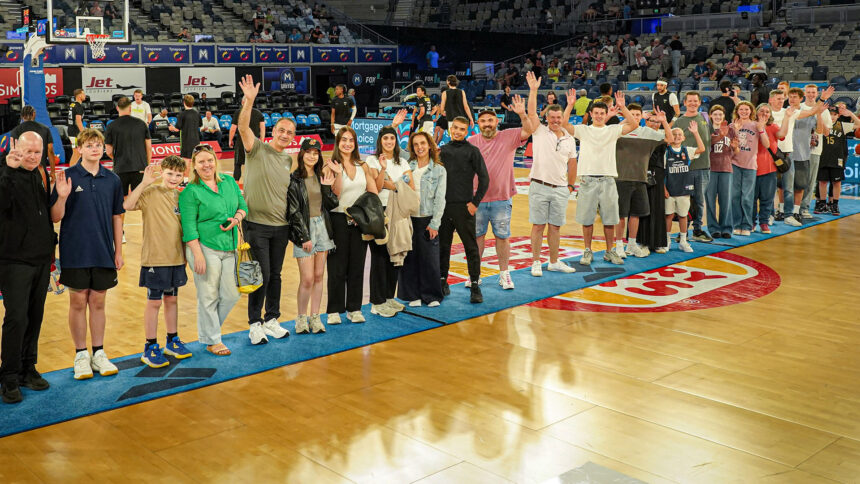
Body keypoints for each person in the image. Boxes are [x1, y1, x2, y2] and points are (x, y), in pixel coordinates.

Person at [50, 128, 124, 380]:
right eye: (89, 145)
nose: (95, 148)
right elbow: (55, 217)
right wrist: (61, 197)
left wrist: (119, 251)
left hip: (103, 251)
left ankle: (99, 352)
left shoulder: (113, 179)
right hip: (75, 252)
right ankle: (81, 354)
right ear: (79, 149)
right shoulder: (67, 177)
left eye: (98, 145)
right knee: (78, 302)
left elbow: (117, 217)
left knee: (99, 302)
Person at [236, 75, 294, 343]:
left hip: (281, 227)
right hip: (256, 224)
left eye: (290, 133)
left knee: (277, 275)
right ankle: (254, 323)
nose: (285, 135)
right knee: (262, 273)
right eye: (281, 130)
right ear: (273, 132)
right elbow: (243, 127)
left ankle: (272, 318)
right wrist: (249, 101)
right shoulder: (256, 149)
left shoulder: (288, 160)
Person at [0, 133, 55, 403]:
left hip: (41, 259)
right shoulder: (5, 172)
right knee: (16, 319)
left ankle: (27, 369)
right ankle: (8, 376)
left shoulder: (38, 174)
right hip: (14, 261)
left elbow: (42, 213)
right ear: (16, 149)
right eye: (28, 151)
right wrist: (8, 170)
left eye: (37, 151)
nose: (33, 156)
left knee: (35, 317)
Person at [122, 156, 192, 368]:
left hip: (176, 258)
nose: (173, 178)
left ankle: (172, 340)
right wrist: (144, 182)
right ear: (162, 172)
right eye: (170, 173)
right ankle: (150, 345)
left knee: (172, 300)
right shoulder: (150, 192)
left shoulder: (182, 197)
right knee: (154, 302)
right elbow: (128, 204)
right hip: (155, 258)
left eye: (178, 175)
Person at [179, 144, 246, 356]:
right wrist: (197, 254)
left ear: (215, 161)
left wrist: (237, 218)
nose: (206, 165)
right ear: (194, 166)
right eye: (201, 162)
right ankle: (213, 340)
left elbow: (243, 205)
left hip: (230, 246)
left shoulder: (229, 182)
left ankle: (209, 332)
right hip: (204, 247)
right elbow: (189, 228)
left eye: (209, 160)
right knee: (208, 295)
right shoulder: (191, 191)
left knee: (231, 295)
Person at [564, 88, 639, 265]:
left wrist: (622, 107)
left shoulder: (613, 130)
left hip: (608, 179)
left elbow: (634, 124)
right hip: (588, 180)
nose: (598, 116)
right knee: (587, 219)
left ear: (606, 114)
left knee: (609, 219)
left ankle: (609, 251)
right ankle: (587, 250)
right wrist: (570, 105)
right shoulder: (583, 130)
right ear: (590, 114)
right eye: (595, 113)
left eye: (601, 113)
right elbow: (564, 123)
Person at [469, 97, 531, 290]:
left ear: (497, 121)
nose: (487, 124)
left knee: (502, 237)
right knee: (477, 238)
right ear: (478, 124)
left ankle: (504, 274)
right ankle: (475, 275)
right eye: (483, 121)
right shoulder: (471, 142)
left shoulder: (509, 136)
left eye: (490, 120)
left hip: (502, 198)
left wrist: (522, 113)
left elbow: (529, 130)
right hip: (476, 200)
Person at [326, 127, 379, 323]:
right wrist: (338, 173)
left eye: (351, 140)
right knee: (337, 267)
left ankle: (354, 308)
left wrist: (362, 213)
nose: (347, 143)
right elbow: (335, 196)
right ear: (338, 142)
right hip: (338, 219)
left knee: (357, 266)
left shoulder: (363, 166)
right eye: (344, 140)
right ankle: (333, 310)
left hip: (359, 221)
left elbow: (372, 192)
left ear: (355, 144)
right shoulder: (329, 166)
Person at [287, 138, 337, 334]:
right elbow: (293, 211)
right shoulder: (294, 180)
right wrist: (303, 236)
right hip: (305, 230)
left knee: (318, 276)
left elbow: (332, 204)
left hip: (322, 228)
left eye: (315, 153)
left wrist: (327, 188)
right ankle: (301, 318)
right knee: (307, 278)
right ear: (301, 154)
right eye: (308, 152)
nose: (312, 156)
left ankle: (315, 317)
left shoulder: (322, 176)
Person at [365, 112, 413, 316]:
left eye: (392, 138)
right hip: (380, 211)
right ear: (380, 141)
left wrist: (392, 184)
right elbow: (377, 184)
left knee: (396, 255)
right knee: (380, 257)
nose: (389, 141)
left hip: (399, 212)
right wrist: (391, 181)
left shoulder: (402, 161)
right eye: (385, 138)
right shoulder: (372, 160)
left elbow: (409, 183)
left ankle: (389, 297)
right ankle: (377, 302)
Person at [438, 116, 489, 303]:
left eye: (462, 129)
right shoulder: (441, 151)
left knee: (471, 248)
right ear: (451, 128)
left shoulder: (473, 151)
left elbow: (485, 179)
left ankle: (475, 285)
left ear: (467, 131)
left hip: (464, 208)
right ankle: (443, 281)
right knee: (443, 247)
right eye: (455, 128)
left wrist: (475, 203)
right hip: (443, 208)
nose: (458, 131)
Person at [612, 104, 673, 259]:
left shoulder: (647, 133)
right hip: (621, 178)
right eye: (631, 114)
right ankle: (619, 245)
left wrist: (664, 121)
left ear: (642, 117)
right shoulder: (618, 131)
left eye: (637, 115)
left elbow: (670, 139)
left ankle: (631, 244)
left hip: (640, 179)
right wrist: (623, 120)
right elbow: (605, 133)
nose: (634, 117)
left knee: (636, 214)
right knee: (621, 215)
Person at [399, 131, 447, 307]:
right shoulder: (407, 167)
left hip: (427, 219)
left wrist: (435, 223)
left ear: (430, 146)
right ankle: (413, 295)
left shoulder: (439, 170)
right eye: (416, 144)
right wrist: (395, 125)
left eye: (423, 143)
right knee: (409, 258)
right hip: (409, 219)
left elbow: (440, 199)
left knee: (430, 260)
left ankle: (432, 295)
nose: (420, 147)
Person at [780, 87, 831, 226]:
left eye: (796, 97)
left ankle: (796, 212)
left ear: (800, 99)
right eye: (791, 97)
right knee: (784, 186)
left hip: (803, 154)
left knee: (800, 186)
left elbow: (820, 131)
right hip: (786, 154)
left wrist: (819, 113)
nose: (792, 99)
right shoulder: (785, 112)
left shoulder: (808, 113)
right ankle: (782, 211)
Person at [105, 96, 152, 242]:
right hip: (140, 168)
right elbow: (148, 148)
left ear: (117, 108)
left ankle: (121, 234)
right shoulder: (141, 123)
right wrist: (146, 165)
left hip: (120, 169)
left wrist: (117, 159)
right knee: (145, 202)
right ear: (130, 108)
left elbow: (108, 151)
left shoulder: (111, 126)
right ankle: (149, 234)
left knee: (120, 203)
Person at [672, 91, 713, 242]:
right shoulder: (679, 122)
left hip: (703, 166)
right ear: (684, 103)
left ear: (700, 102)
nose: (692, 103)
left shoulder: (705, 118)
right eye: (690, 101)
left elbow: (711, 138)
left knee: (699, 200)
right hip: (685, 168)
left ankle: (698, 229)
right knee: (685, 200)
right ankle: (684, 231)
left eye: (695, 101)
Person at [662, 125, 705, 253]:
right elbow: (661, 173)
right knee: (668, 215)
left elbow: (702, 148)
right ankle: (667, 241)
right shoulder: (666, 151)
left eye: (679, 134)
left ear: (684, 138)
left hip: (684, 189)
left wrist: (696, 132)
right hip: (669, 190)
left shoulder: (687, 150)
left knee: (683, 215)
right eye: (674, 134)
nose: (676, 136)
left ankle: (683, 241)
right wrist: (664, 188)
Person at [816, 103, 859, 216]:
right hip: (823, 157)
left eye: (835, 114)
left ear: (838, 116)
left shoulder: (842, 125)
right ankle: (822, 203)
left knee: (837, 182)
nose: (832, 116)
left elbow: (858, 124)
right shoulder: (821, 124)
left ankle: (835, 204)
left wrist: (850, 114)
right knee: (822, 182)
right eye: (830, 114)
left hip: (837, 158)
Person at [730, 101, 765, 236]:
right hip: (735, 164)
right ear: (737, 111)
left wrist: (761, 129)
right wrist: (736, 131)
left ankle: (747, 225)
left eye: (746, 109)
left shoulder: (756, 125)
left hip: (750, 165)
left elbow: (766, 144)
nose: (744, 111)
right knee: (735, 196)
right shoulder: (732, 125)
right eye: (741, 109)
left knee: (747, 197)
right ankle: (737, 224)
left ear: (751, 111)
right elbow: (730, 148)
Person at [637, 114, 670, 253]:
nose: (655, 124)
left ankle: (657, 242)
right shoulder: (641, 134)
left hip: (658, 172)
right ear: (646, 121)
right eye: (652, 121)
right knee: (643, 207)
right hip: (641, 171)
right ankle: (642, 242)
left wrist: (665, 121)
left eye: (658, 122)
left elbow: (671, 139)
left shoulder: (661, 136)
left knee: (657, 207)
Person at [705, 105, 739, 239]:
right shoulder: (707, 129)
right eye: (715, 114)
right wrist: (719, 136)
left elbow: (736, 151)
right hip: (710, 168)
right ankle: (713, 228)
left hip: (726, 168)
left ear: (724, 116)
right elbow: (706, 146)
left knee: (726, 200)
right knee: (710, 200)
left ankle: (726, 228)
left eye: (720, 114)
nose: (718, 117)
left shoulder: (730, 130)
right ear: (711, 116)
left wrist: (735, 148)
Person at [800, 85, 831, 218]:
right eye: (809, 92)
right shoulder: (799, 107)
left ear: (817, 93)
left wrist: (819, 113)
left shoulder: (825, 110)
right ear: (804, 93)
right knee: (797, 180)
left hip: (815, 149)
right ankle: (792, 207)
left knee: (810, 180)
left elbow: (827, 132)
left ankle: (804, 207)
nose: (811, 94)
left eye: (814, 92)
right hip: (799, 149)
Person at [753, 103, 782, 234]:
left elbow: (783, 134)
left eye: (767, 112)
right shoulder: (750, 125)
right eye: (761, 111)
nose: (764, 114)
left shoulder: (773, 127)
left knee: (767, 198)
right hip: (751, 168)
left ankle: (764, 223)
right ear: (756, 112)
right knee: (751, 198)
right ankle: (751, 222)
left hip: (769, 169)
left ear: (770, 115)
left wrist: (788, 117)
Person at [10, 106, 55, 183]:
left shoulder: (15, 131)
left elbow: (14, 152)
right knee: (43, 194)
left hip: (21, 172)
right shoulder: (45, 129)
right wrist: (53, 172)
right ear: (34, 114)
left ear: (21, 116)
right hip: (41, 171)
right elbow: (50, 150)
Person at [229, 98, 265, 183]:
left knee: (238, 164)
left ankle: (236, 185)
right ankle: (255, 184)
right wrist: (262, 141)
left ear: (242, 103)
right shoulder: (258, 113)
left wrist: (230, 140)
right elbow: (263, 128)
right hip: (254, 143)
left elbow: (233, 128)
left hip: (241, 142)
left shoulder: (239, 112)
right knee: (254, 165)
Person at [174, 95, 201, 162]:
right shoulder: (197, 113)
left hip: (186, 142)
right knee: (196, 161)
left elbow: (177, 129)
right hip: (196, 141)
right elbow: (200, 125)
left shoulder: (182, 114)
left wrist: (171, 128)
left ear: (184, 102)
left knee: (186, 161)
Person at [67, 88, 86, 166]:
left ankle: (73, 170)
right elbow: (78, 121)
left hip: (71, 131)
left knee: (77, 152)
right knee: (76, 153)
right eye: (83, 94)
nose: (85, 95)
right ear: (79, 95)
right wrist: (84, 133)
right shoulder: (78, 106)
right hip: (75, 133)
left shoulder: (72, 104)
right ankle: (71, 171)